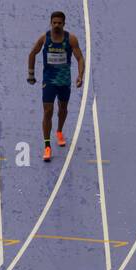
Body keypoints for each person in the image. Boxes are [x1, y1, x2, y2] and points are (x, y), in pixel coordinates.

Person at [27, 11, 85, 163]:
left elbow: (79, 58)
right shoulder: (45, 39)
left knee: (63, 109)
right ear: (50, 23)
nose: (57, 25)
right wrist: (31, 74)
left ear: (64, 24)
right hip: (49, 81)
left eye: (60, 23)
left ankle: (59, 131)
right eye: (54, 23)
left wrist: (80, 76)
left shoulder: (70, 39)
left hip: (64, 81)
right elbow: (32, 53)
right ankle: (47, 145)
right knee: (48, 111)